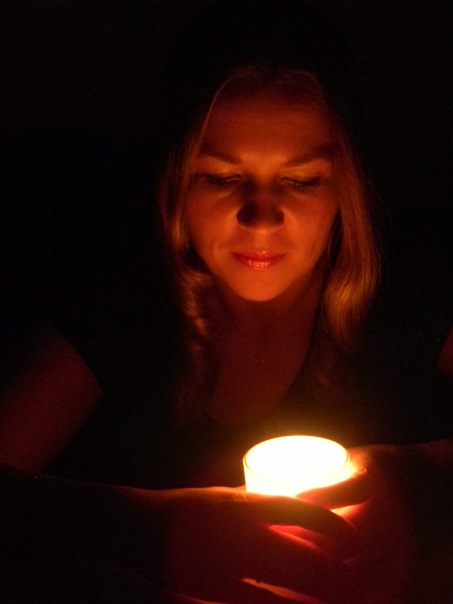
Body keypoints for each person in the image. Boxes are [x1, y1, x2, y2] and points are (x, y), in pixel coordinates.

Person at [1, 1, 452, 602]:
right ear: (176, 182)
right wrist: (152, 532)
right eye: (221, 177)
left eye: (300, 180)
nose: (261, 218)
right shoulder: (122, 300)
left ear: (345, 188)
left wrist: (421, 480)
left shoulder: (406, 292)